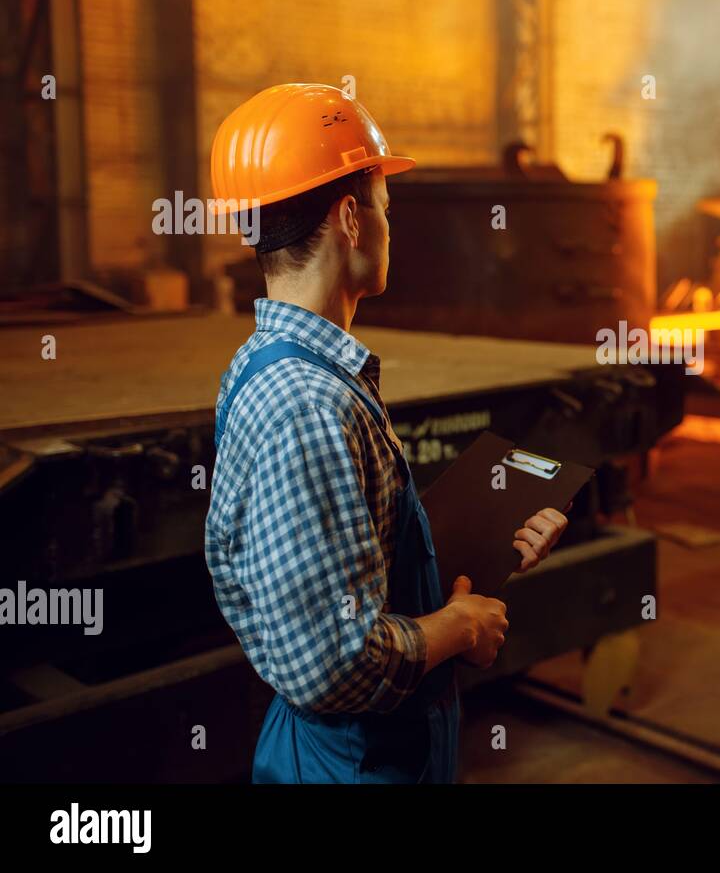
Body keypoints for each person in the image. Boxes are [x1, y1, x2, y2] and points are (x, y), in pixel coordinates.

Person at [204, 84, 568, 783]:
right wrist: (459, 627)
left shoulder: (283, 364)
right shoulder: (308, 402)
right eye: (385, 208)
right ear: (349, 217)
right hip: (353, 762)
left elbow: (342, 555)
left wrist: (487, 548)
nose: (389, 227)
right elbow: (333, 663)